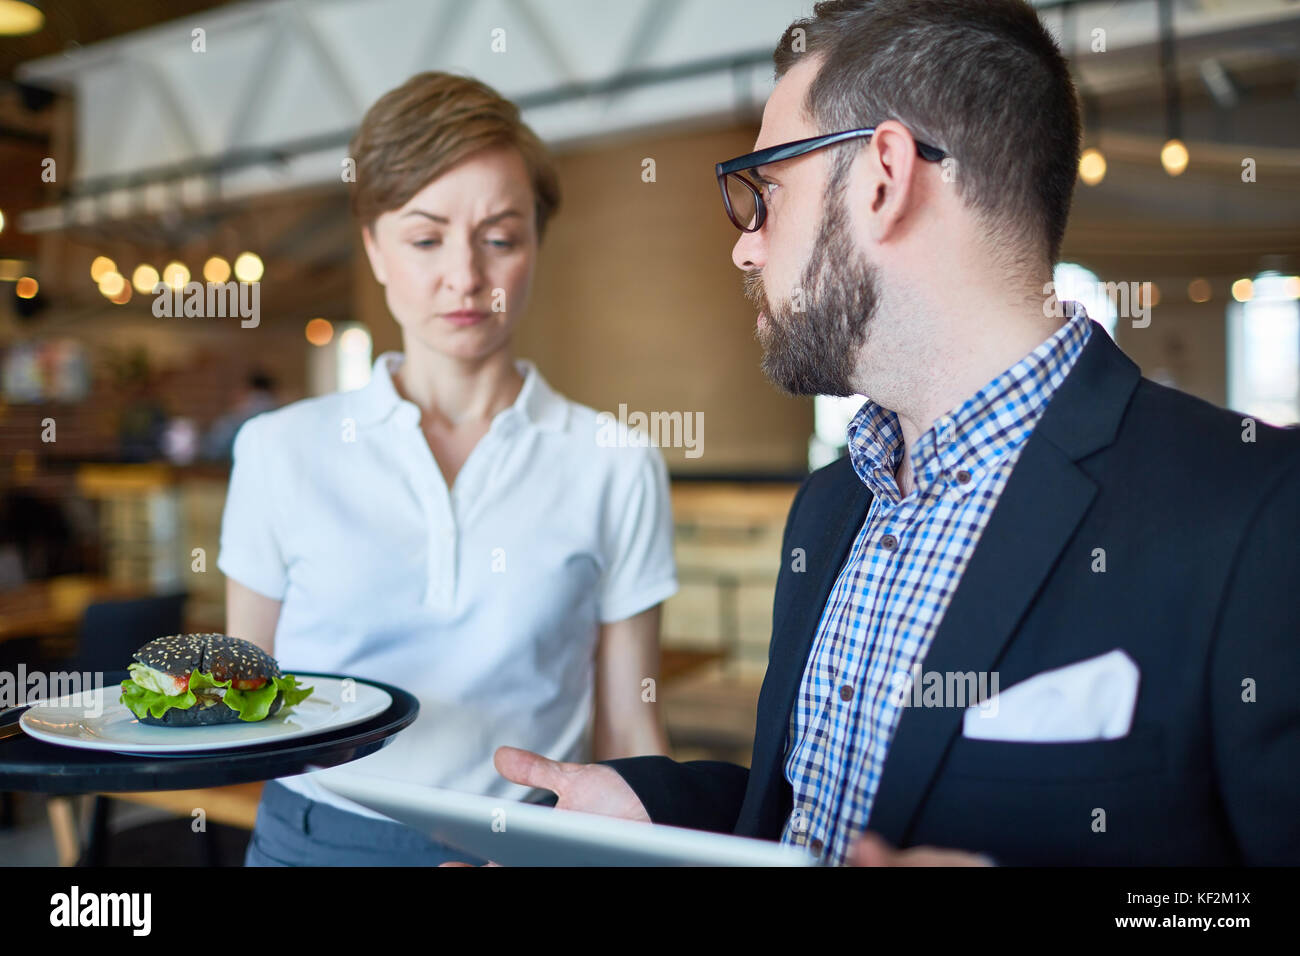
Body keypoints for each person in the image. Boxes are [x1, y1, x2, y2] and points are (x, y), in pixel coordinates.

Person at [487, 0, 1300, 866]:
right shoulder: (833, 505)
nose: (746, 249)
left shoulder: (1259, 512)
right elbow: (815, 809)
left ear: (883, 174)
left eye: (768, 191)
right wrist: (660, 811)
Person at [220, 71, 678, 866]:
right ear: (374, 247)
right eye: (426, 238)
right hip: (315, 843)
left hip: (527, 848)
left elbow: (630, 726)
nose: (465, 277)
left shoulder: (616, 462)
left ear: (536, 243)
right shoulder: (277, 450)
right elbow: (242, 700)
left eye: (500, 238)